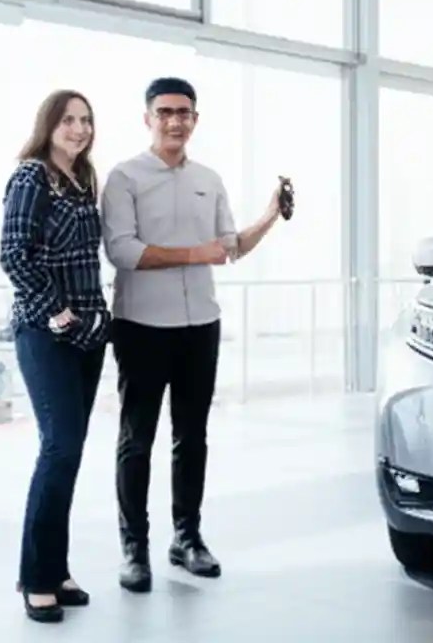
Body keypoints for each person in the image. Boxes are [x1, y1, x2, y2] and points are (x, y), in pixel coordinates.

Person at [101, 77, 285, 592]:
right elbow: (122, 251)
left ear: (195, 120)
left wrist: (270, 214)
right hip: (141, 326)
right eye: (165, 112)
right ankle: (134, 548)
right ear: (147, 119)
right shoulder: (124, 177)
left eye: (184, 112)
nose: (175, 121)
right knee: (137, 440)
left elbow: (230, 247)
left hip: (200, 325)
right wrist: (194, 254)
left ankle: (187, 539)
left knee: (192, 437)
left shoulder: (209, 178)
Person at [0, 89, 111, 623]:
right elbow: (13, 255)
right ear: (49, 125)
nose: (79, 128)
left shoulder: (84, 179)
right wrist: (56, 310)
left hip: (88, 335)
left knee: (69, 453)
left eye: (86, 120)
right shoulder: (31, 177)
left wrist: (94, 319)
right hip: (45, 333)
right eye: (68, 120)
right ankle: (36, 579)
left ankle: (56, 569)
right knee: (58, 447)